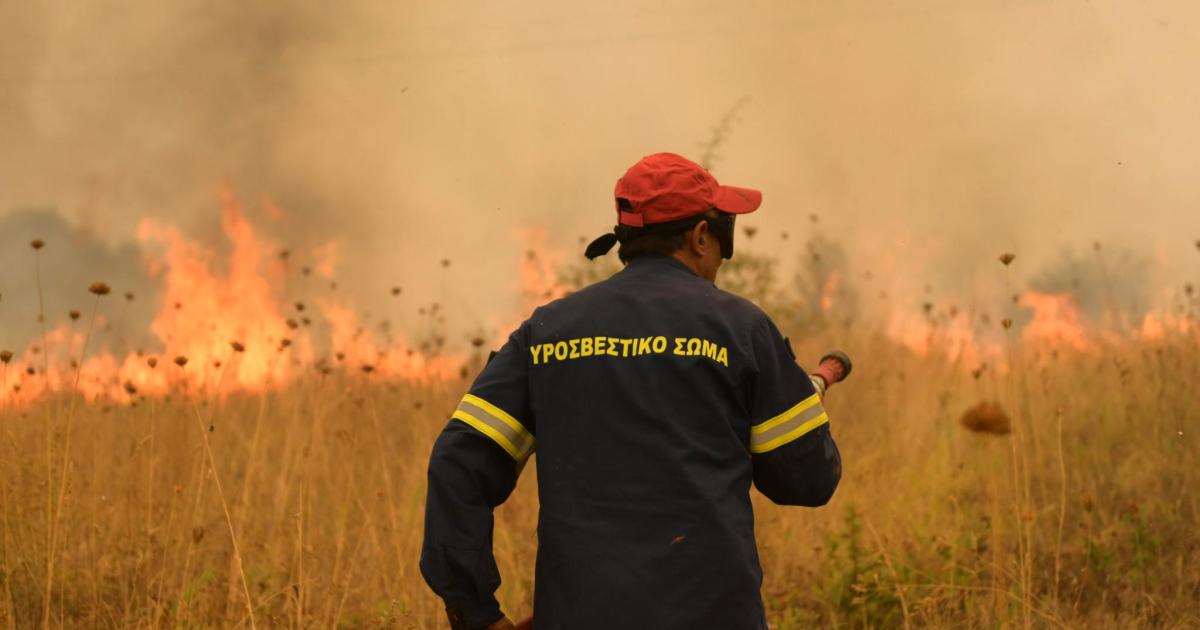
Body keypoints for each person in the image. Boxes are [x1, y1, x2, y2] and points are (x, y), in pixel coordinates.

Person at [420, 152, 842, 630]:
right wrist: (800, 408)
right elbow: (807, 482)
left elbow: (458, 465)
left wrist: (474, 612)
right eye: (725, 230)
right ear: (700, 236)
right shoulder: (742, 330)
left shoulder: (546, 333)